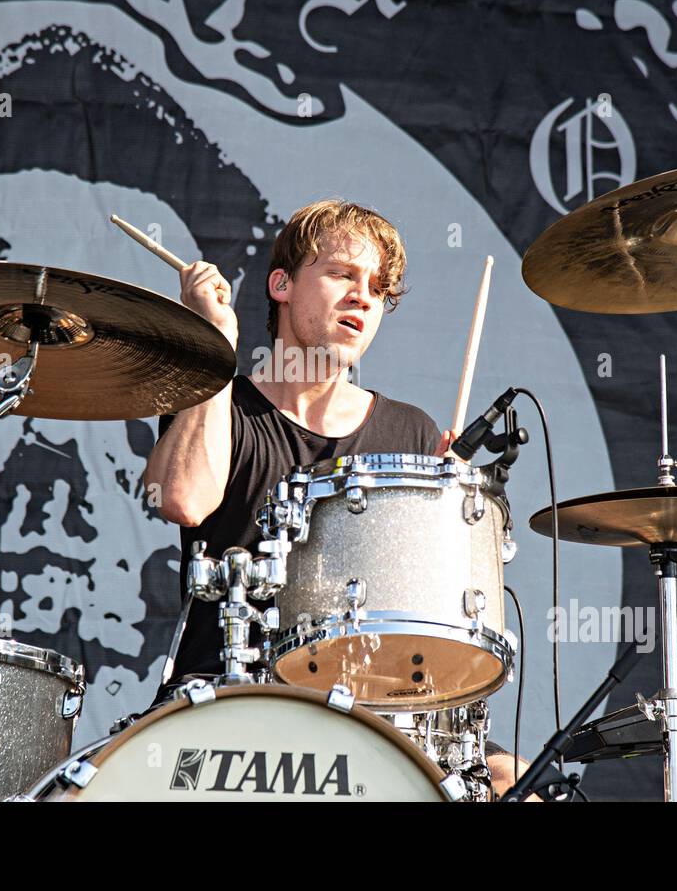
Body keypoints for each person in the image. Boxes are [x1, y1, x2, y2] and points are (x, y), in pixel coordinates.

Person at [142, 199, 531, 798]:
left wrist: (449, 513)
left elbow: (439, 621)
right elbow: (183, 500)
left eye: (377, 288)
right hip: (232, 700)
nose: (362, 296)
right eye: (342, 275)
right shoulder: (221, 403)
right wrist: (215, 346)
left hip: (380, 709)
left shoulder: (413, 436)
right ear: (282, 284)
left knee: (520, 781)